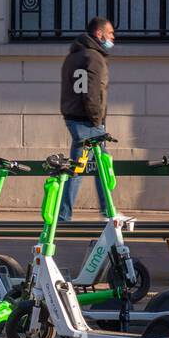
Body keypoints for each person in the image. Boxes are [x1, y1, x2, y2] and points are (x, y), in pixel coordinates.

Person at [58, 16, 115, 222]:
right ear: (99, 34)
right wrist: (97, 120)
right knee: (97, 167)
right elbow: (92, 92)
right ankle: (106, 213)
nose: (113, 38)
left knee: (86, 167)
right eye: (110, 33)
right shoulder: (94, 57)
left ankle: (68, 214)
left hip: (75, 117)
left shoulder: (73, 56)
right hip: (88, 121)